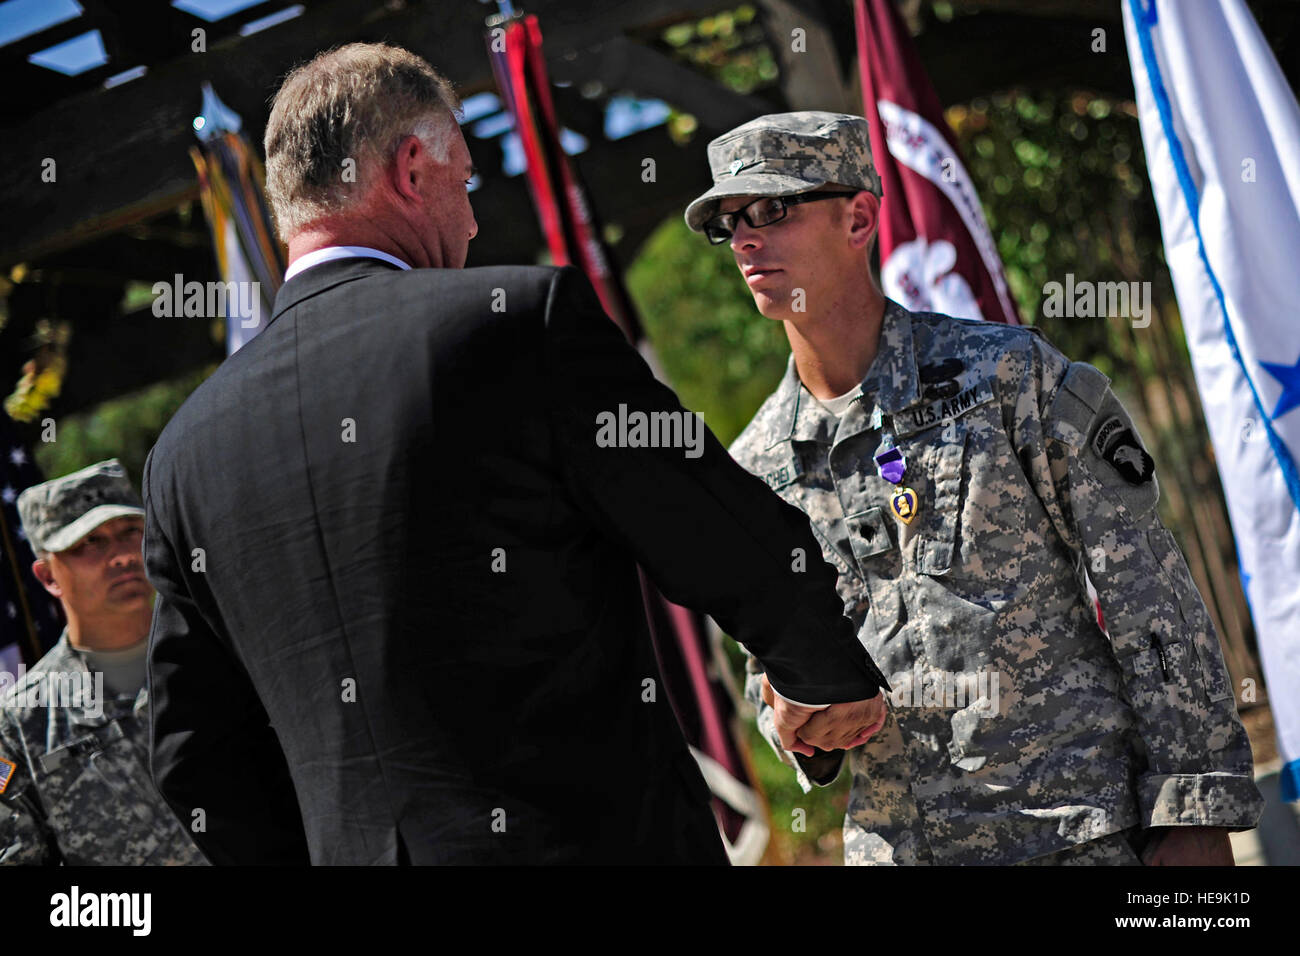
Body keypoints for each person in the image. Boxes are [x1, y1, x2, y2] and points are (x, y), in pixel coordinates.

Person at [142, 45, 889, 866]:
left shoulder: (180, 459)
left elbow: (194, 756)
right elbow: (715, 526)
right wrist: (824, 677)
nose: (468, 219)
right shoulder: (516, 323)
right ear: (412, 167)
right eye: (465, 182)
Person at [684, 111, 1265, 865]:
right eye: (729, 223)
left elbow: (1148, 595)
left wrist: (1192, 812)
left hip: (1074, 836)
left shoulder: (1005, 377)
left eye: (773, 210)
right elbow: (772, 674)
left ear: (858, 218)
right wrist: (798, 724)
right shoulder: (756, 466)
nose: (747, 240)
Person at [0, 459, 206, 865]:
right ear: (47, 577)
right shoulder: (21, 722)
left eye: (130, 532)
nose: (121, 557)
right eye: (89, 544)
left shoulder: (218, 652)